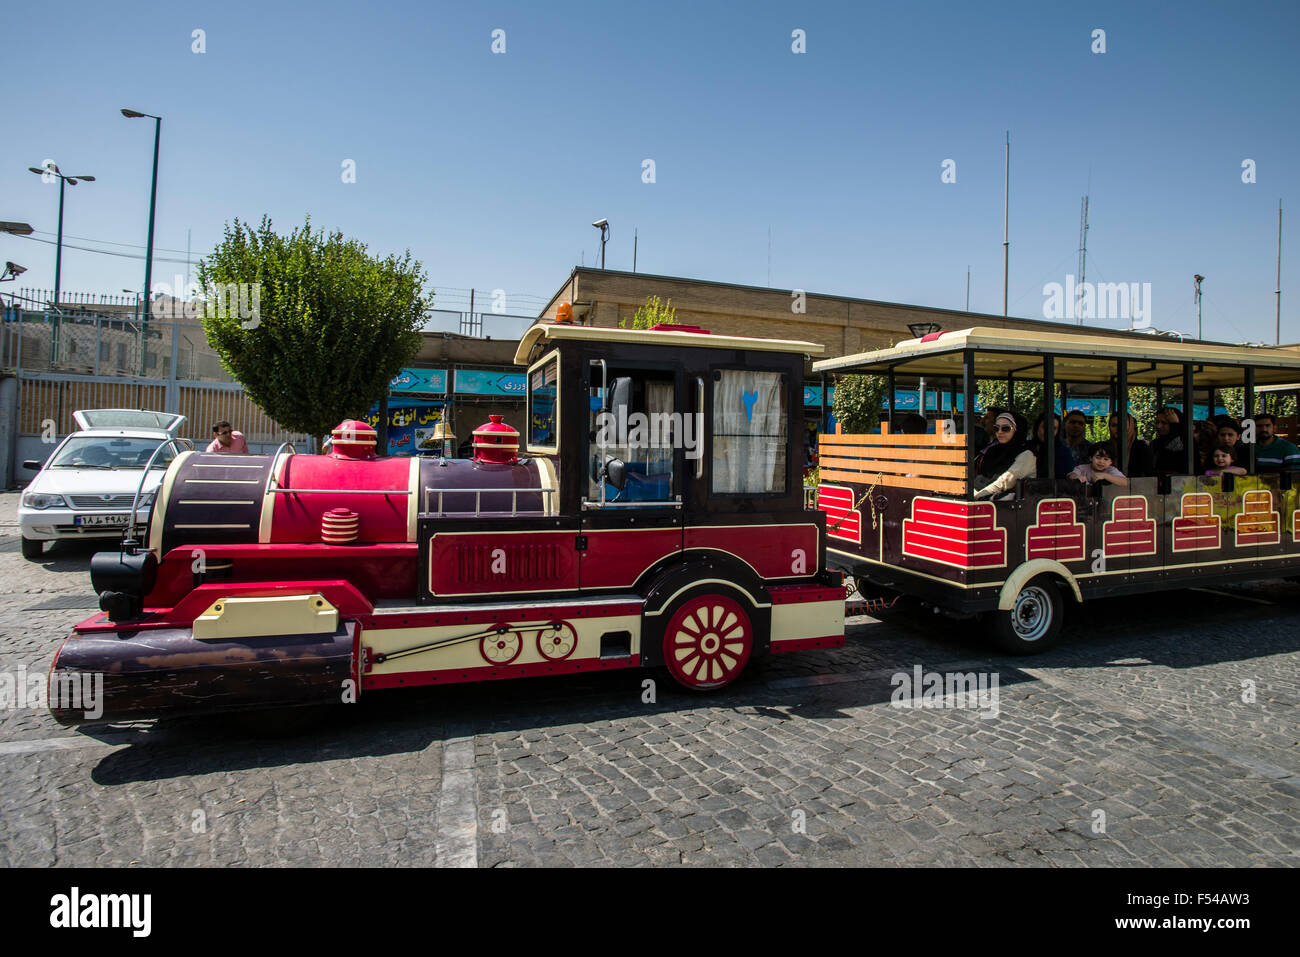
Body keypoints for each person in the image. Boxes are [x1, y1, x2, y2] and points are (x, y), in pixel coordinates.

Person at [972, 411, 1035, 499]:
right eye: (996, 428)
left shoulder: (1027, 455)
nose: (1000, 432)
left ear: (1016, 429)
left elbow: (1004, 482)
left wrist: (976, 496)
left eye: (1005, 428)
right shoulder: (993, 450)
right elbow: (982, 476)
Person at [1108, 412, 1154, 477]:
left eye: (1122, 425)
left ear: (1130, 426)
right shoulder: (1104, 447)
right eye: (1114, 425)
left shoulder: (1141, 448)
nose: (1118, 429)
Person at [1031, 412, 1074, 478]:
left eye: (1053, 428)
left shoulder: (1063, 452)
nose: (1048, 431)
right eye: (1045, 427)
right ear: (1037, 427)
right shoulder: (1026, 447)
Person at [1151, 406, 1188, 473]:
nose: (1159, 426)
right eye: (1157, 422)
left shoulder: (1187, 442)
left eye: (1164, 423)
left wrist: (1175, 426)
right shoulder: (1155, 443)